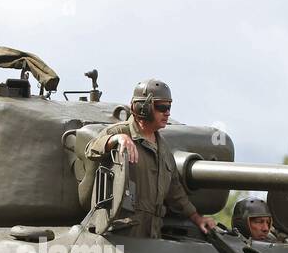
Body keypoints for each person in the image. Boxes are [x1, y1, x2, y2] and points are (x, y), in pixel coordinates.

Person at [84, 79, 217, 239]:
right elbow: (90, 149)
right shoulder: (120, 131)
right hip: (120, 231)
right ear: (143, 108)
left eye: (169, 107)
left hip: (152, 233)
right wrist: (116, 139)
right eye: (162, 107)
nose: (167, 113)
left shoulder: (163, 150)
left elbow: (175, 192)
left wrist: (197, 218)